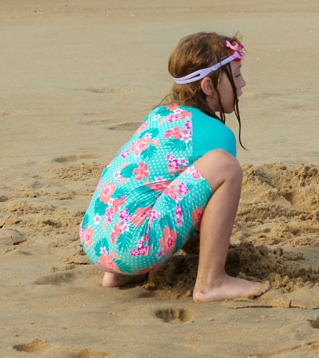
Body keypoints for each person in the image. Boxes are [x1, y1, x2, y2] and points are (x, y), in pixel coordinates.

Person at [78, 33, 270, 303]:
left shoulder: (160, 115)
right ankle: (211, 283)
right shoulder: (216, 133)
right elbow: (208, 206)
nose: (243, 84)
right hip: (135, 245)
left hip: (96, 240)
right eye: (236, 76)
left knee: (153, 183)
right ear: (208, 86)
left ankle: (118, 275)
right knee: (225, 167)